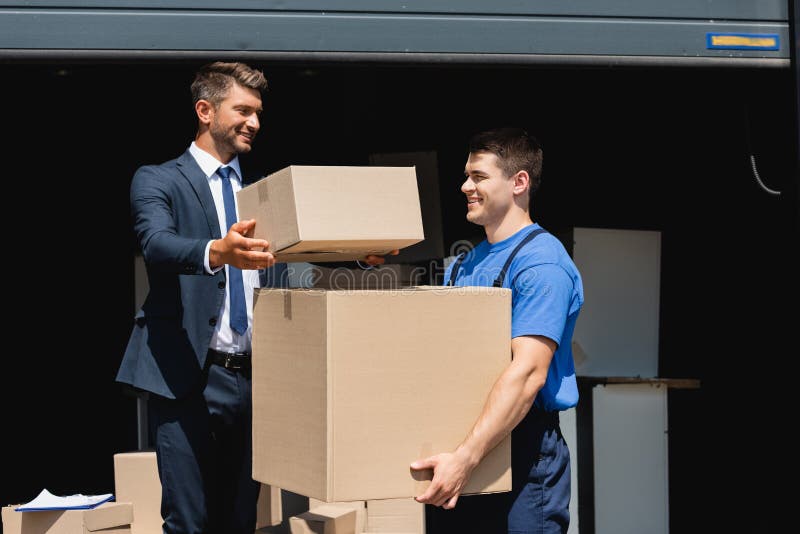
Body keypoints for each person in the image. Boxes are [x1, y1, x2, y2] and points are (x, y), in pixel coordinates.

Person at [116, 61, 389, 534]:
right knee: (190, 522)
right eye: (242, 110)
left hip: (256, 379)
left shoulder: (262, 190)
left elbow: (302, 246)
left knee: (241, 519)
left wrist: (355, 255)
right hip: (188, 377)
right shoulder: (158, 179)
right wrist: (216, 251)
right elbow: (156, 244)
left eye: (259, 113)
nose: (255, 123)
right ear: (205, 110)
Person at [411, 127, 584, 534]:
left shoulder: (542, 264)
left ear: (519, 182)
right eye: (467, 175)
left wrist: (465, 460)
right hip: (458, 448)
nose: (465, 186)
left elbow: (527, 376)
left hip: (522, 456)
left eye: (478, 177)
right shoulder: (463, 265)